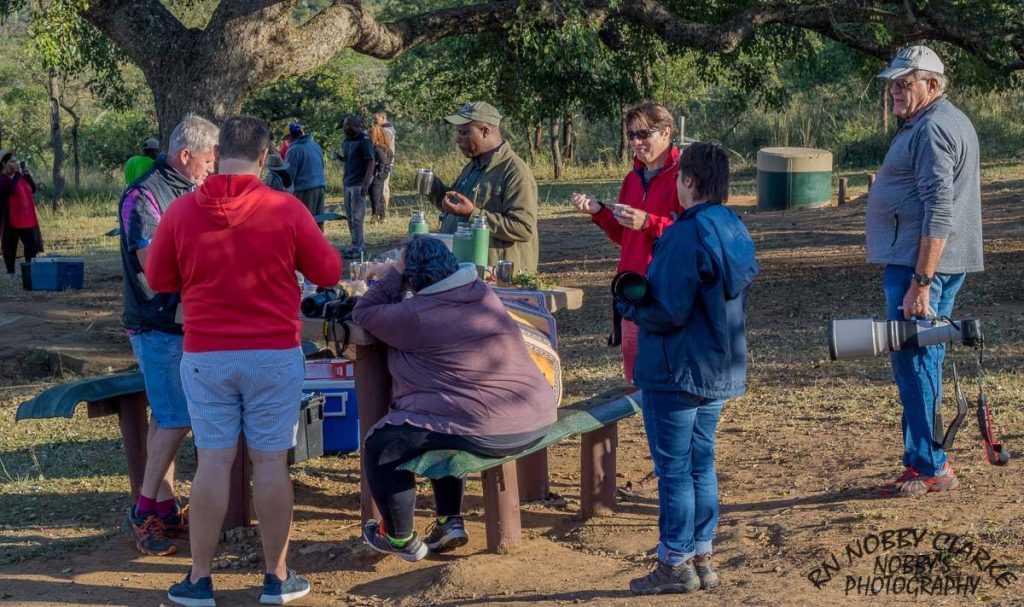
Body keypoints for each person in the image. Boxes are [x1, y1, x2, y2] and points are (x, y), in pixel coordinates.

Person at [145, 115, 341, 606]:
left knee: (213, 461)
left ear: (217, 154)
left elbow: (159, 280)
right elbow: (328, 270)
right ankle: (277, 578)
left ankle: (199, 579)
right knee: (271, 462)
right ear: (264, 156)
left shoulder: (181, 211)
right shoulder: (286, 208)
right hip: (273, 353)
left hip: (206, 355)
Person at [351, 236, 556, 561]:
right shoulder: (481, 293)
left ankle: (399, 537)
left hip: (489, 426)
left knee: (381, 444)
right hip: (535, 415)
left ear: (412, 279)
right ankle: (449, 522)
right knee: (440, 419)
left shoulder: (415, 315)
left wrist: (394, 273)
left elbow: (363, 312)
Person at [618, 142, 757, 596]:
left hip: (675, 368)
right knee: (701, 462)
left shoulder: (684, 232)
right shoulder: (733, 227)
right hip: (716, 365)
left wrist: (629, 306)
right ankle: (701, 555)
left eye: (679, 177)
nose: (675, 184)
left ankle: (674, 562)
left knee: (675, 469)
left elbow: (667, 309)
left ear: (690, 180)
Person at [867, 46, 983, 497]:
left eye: (905, 83)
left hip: (921, 268)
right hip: (925, 264)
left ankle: (931, 465)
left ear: (932, 85)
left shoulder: (933, 128)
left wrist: (921, 281)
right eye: (892, 83)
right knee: (921, 358)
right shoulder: (939, 120)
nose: (895, 90)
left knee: (915, 359)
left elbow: (940, 209)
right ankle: (923, 459)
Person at [117, 114, 219, 557]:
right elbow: (152, 264)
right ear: (185, 154)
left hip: (183, 320)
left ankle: (163, 506)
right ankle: (143, 511)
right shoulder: (143, 196)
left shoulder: (188, 190)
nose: (211, 170)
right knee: (177, 417)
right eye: (207, 162)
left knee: (166, 416)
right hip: (156, 323)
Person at [424, 101, 539, 272]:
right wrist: (431, 187)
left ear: (485, 131)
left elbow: (523, 228)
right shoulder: (473, 166)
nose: (457, 138)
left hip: (498, 277)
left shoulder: (515, 171)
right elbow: (456, 206)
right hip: (469, 270)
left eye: (463, 133)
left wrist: (473, 214)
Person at [0, 151, 43, 277]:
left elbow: (32, 189)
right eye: (11, 162)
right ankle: (11, 272)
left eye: (15, 161)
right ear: (4, 164)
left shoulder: (19, 176)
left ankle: (30, 271)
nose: (15, 164)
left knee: (31, 246)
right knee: (10, 247)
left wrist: (27, 176)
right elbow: (9, 190)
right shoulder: (2, 179)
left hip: (27, 218)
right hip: (11, 219)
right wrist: (16, 175)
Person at [339, 115, 375, 257]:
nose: (345, 127)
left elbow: (371, 162)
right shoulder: (346, 140)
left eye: (349, 125)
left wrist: (366, 183)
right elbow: (348, 160)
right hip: (347, 182)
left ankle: (359, 247)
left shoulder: (364, 140)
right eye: (345, 125)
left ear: (356, 125)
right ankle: (354, 243)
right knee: (349, 217)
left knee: (357, 217)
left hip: (358, 184)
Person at [283, 122, 326, 230]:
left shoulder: (294, 150)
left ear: (291, 137)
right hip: (320, 186)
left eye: (287, 138)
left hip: (305, 190)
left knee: (306, 223)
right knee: (318, 224)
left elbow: (289, 177)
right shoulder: (315, 144)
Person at [368, 124, 394, 222]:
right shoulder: (384, 147)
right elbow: (390, 157)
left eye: (370, 134)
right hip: (383, 174)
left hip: (379, 174)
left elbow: (383, 160)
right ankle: (381, 216)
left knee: (374, 194)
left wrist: (379, 172)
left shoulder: (377, 148)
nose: (369, 136)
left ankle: (375, 215)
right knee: (379, 194)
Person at [372, 111, 396, 210]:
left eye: (376, 119)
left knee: (384, 187)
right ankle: (381, 211)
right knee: (381, 187)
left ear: (383, 118)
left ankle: (383, 211)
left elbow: (384, 145)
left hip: (386, 162)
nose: (374, 121)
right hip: (384, 161)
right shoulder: (384, 128)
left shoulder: (388, 130)